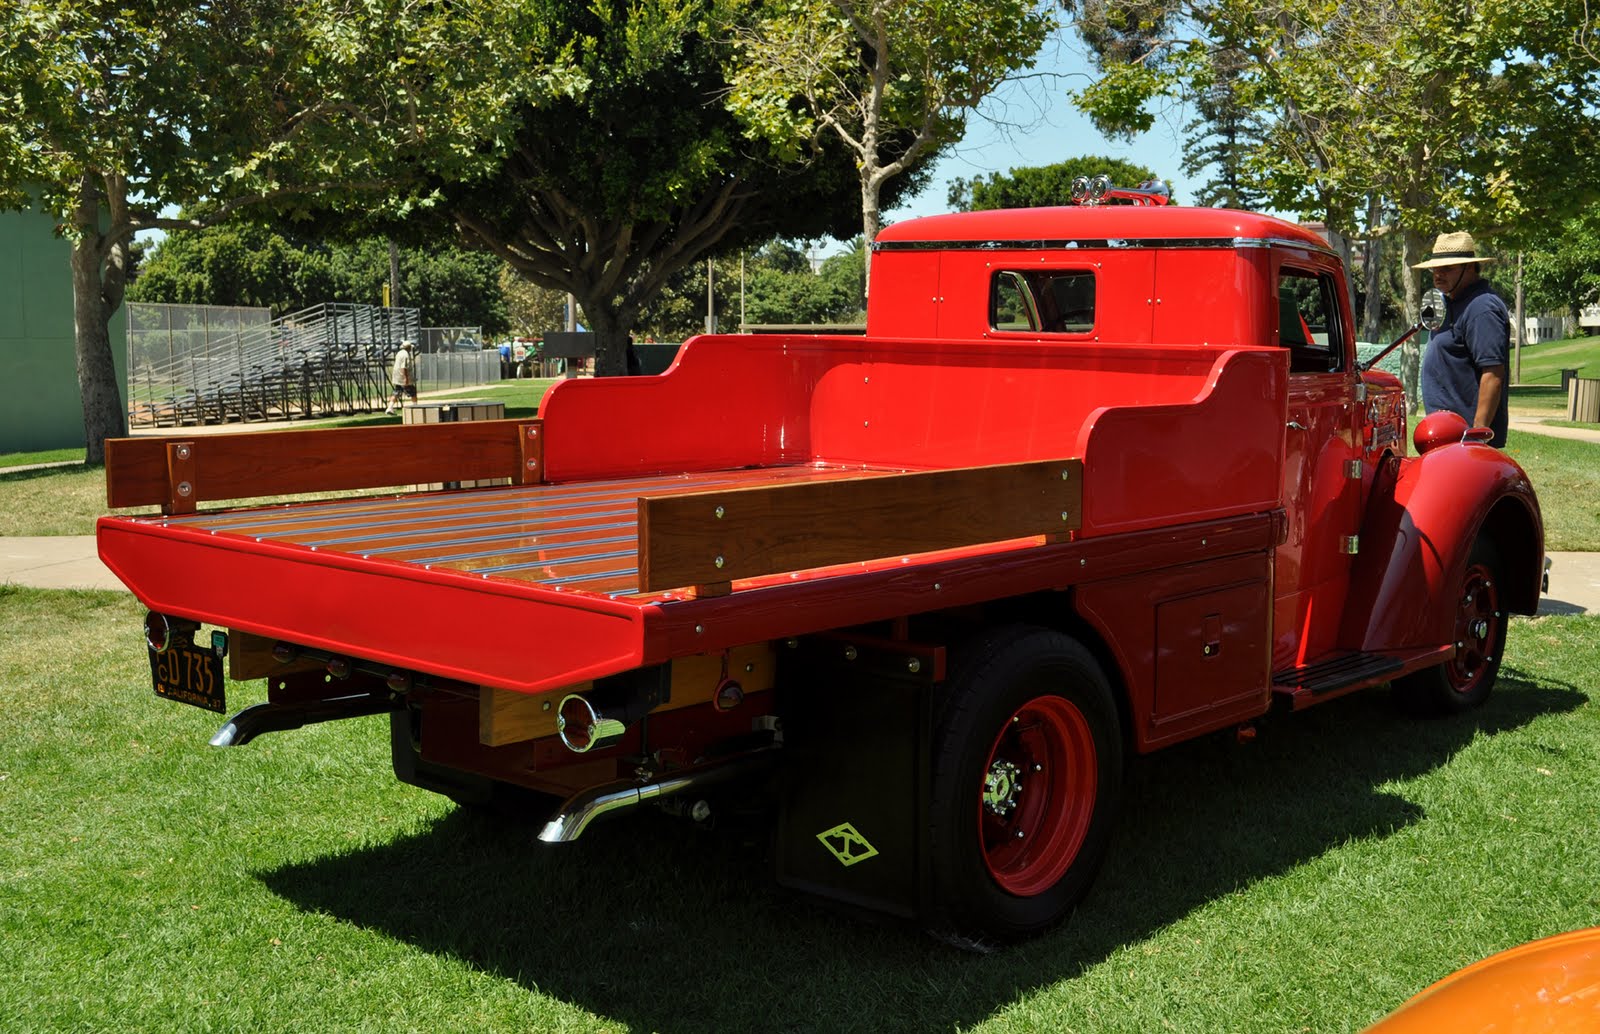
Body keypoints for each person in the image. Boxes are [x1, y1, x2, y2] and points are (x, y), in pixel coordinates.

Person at [1413, 231, 1511, 447]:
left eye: (1447, 268)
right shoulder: (1452, 303)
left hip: (1465, 442)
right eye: (1435, 269)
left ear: (1469, 267)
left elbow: (1493, 373)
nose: (1438, 274)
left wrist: (1476, 436)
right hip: (1445, 435)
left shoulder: (1482, 308)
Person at [385, 339, 417, 415]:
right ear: (408, 348)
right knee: (413, 391)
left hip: (397, 376)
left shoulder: (399, 353)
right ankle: (416, 406)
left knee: (397, 391)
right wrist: (406, 378)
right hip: (402, 376)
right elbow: (404, 367)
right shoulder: (406, 355)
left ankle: (389, 408)